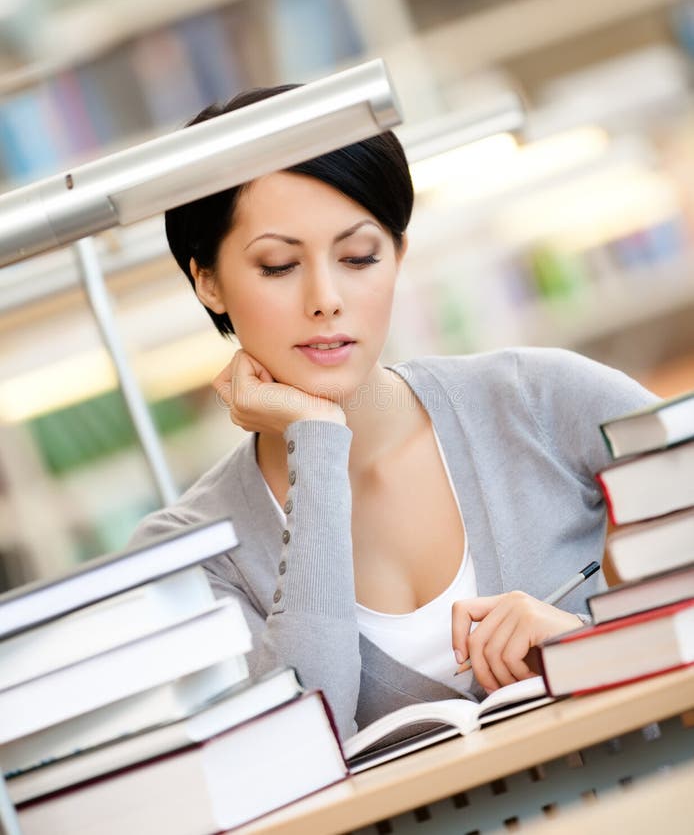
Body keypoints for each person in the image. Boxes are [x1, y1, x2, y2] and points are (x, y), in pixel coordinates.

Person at [131, 85, 655, 741]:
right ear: (207, 281)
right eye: (278, 265)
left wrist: (591, 644)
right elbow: (294, 749)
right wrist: (316, 443)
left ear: (398, 255)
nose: (326, 298)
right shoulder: (194, 551)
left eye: (357, 257)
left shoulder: (545, 399)